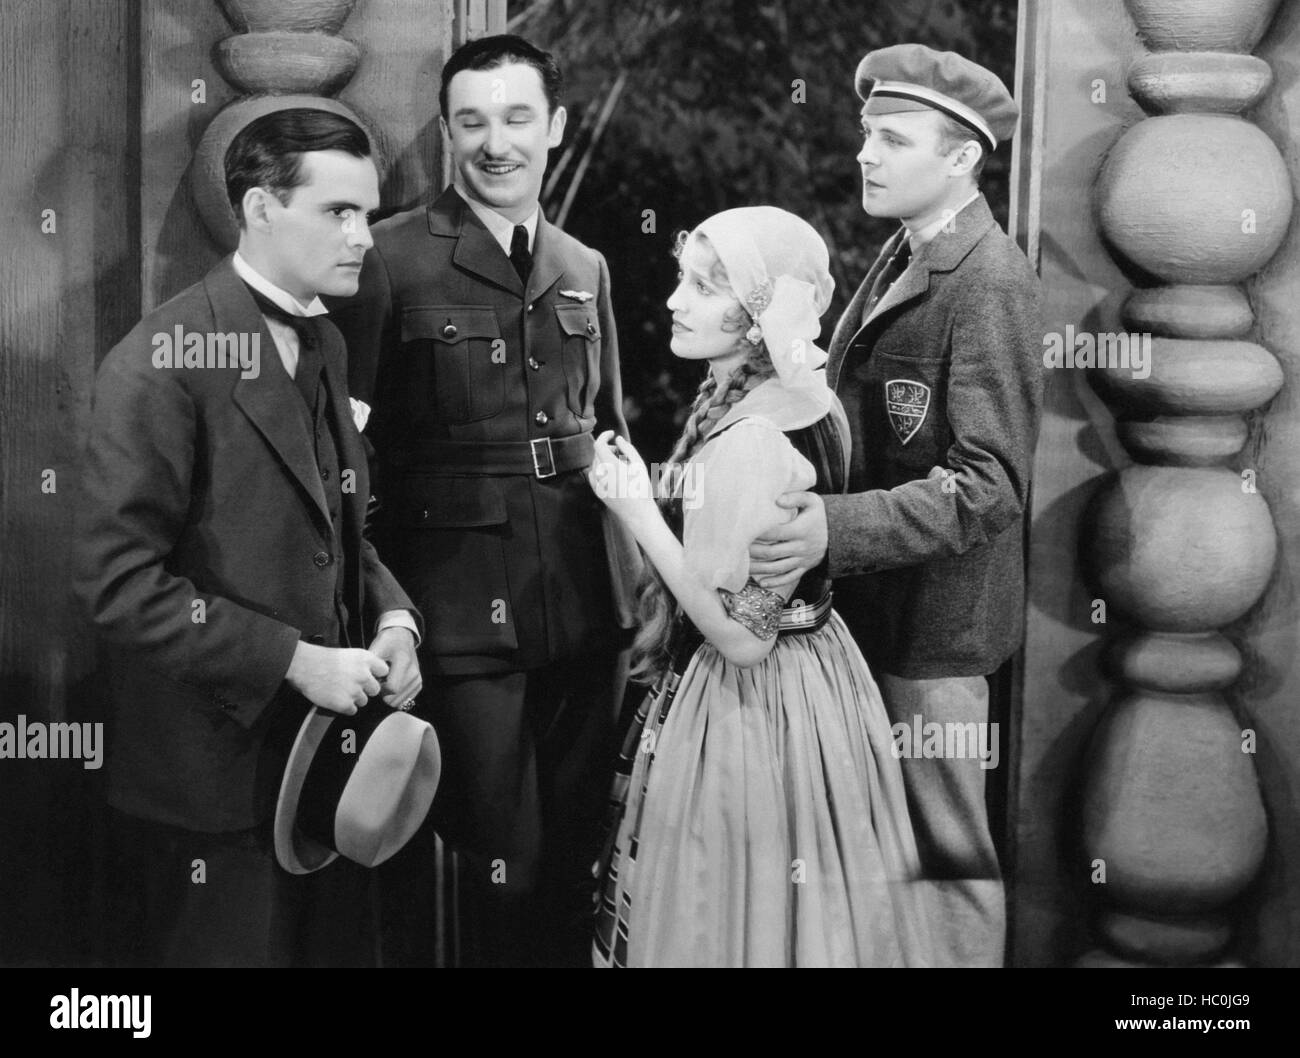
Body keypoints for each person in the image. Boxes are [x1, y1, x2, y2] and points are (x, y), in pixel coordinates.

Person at [74, 107, 422, 967]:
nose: (362, 239)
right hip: (213, 791)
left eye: (367, 214)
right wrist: (294, 660)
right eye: (337, 212)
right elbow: (118, 586)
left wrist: (395, 620)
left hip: (325, 778)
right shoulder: (159, 360)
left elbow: (339, 527)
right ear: (261, 211)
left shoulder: (327, 343)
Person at [329, 34, 633, 967]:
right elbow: (343, 458)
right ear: (449, 133)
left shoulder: (584, 267)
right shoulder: (388, 260)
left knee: (581, 860)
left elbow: (612, 435)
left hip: (587, 608)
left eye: (516, 119)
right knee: (500, 864)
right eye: (471, 122)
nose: (494, 143)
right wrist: (383, 606)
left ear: (555, 128)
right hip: (457, 613)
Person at [749, 44, 1044, 967]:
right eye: (866, 134)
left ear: (962, 158)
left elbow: (989, 485)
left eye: (893, 138)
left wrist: (832, 530)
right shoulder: (901, 253)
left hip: (936, 634)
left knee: (947, 865)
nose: (867, 154)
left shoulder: (989, 278)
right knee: (877, 859)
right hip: (873, 616)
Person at [587, 206, 934, 968]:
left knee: (728, 908)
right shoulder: (808, 401)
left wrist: (638, 510)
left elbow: (743, 635)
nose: (676, 300)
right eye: (684, 277)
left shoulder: (747, 444)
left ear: (753, 321)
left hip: (751, 708)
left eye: (705, 288)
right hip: (821, 685)